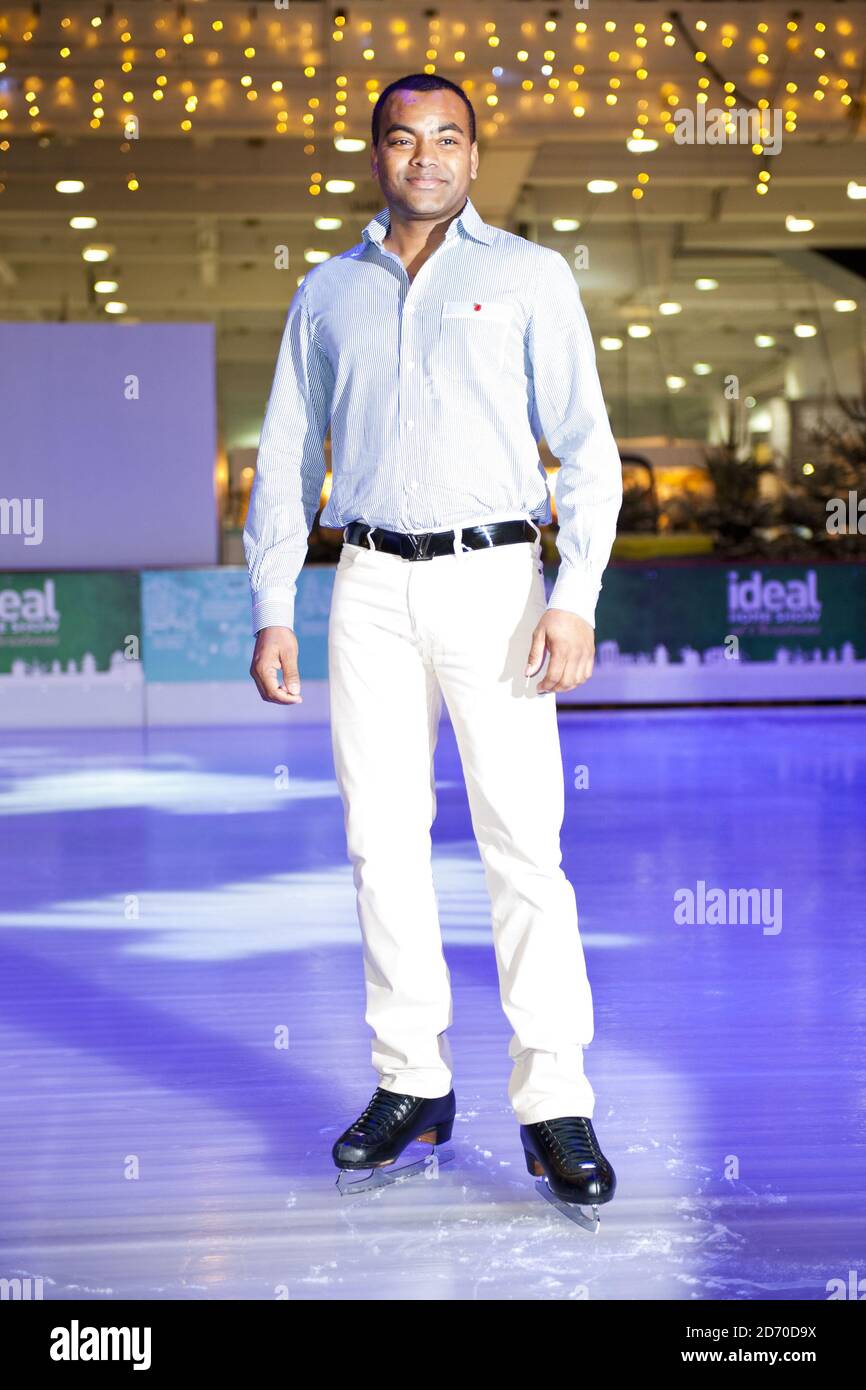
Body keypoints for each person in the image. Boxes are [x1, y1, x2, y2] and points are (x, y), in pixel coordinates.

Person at [244, 73, 622, 1218]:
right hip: (364, 584)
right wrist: (272, 603)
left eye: (447, 138)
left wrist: (575, 593)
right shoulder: (324, 291)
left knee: (522, 845)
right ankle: (411, 1080)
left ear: (473, 153)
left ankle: (552, 1100)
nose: (425, 157)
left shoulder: (525, 276)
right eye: (404, 139)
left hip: (495, 583)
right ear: (375, 155)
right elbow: (283, 456)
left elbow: (587, 450)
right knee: (380, 841)